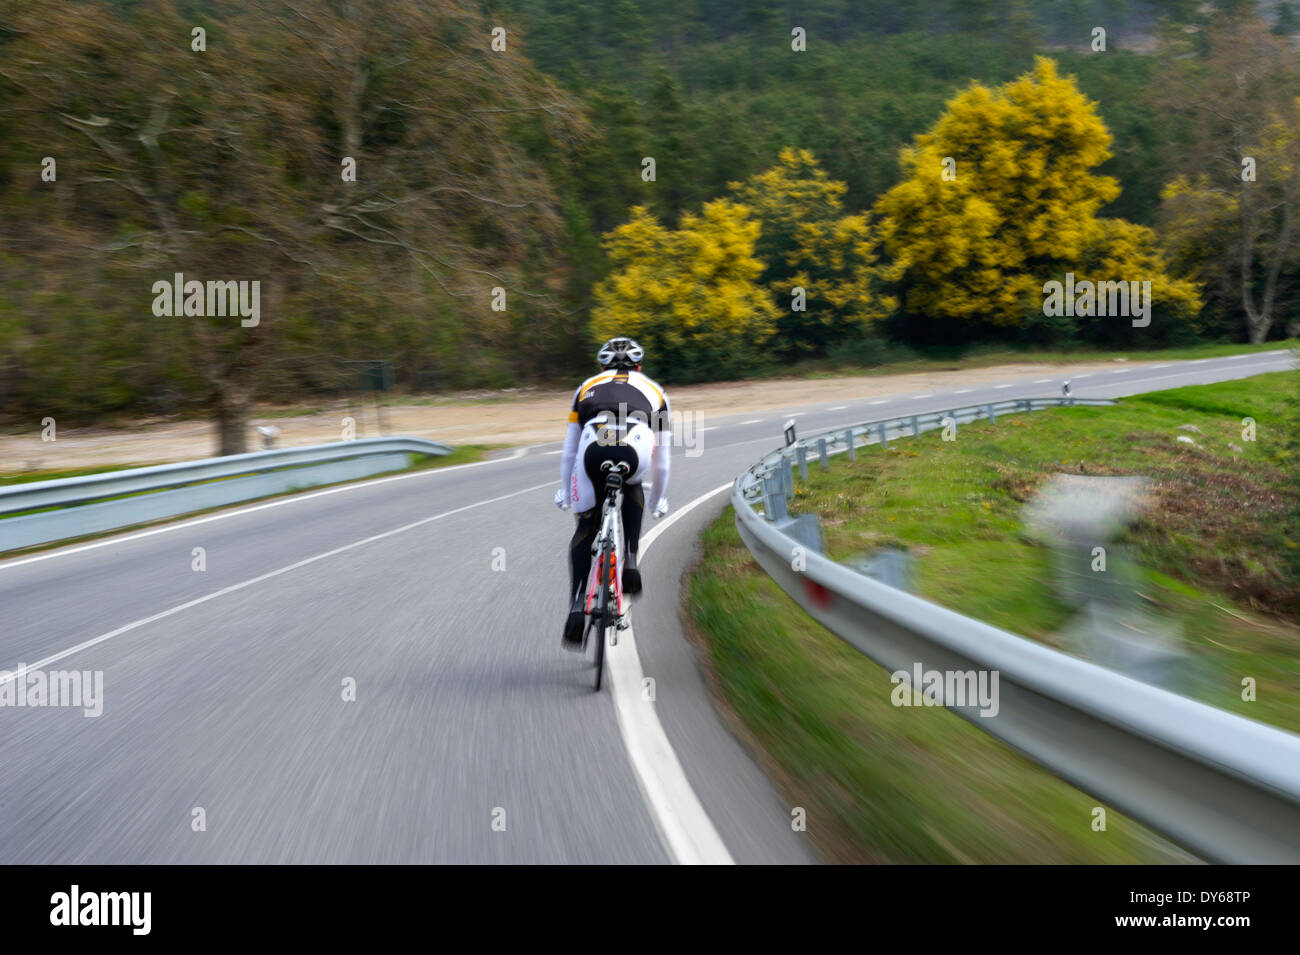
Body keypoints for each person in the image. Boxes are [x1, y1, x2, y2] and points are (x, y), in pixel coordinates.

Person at [554, 337, 671, 649]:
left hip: (594, 447)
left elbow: (569, 452)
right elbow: (663, 461)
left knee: (586, 526)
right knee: (632, 482)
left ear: (602, 367)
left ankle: (578, 604)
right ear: (639, 366)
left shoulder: (586, 387)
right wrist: (659, 499)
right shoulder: (656, 391)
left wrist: (566, 492)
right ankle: (630, 559)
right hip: (636, 448)